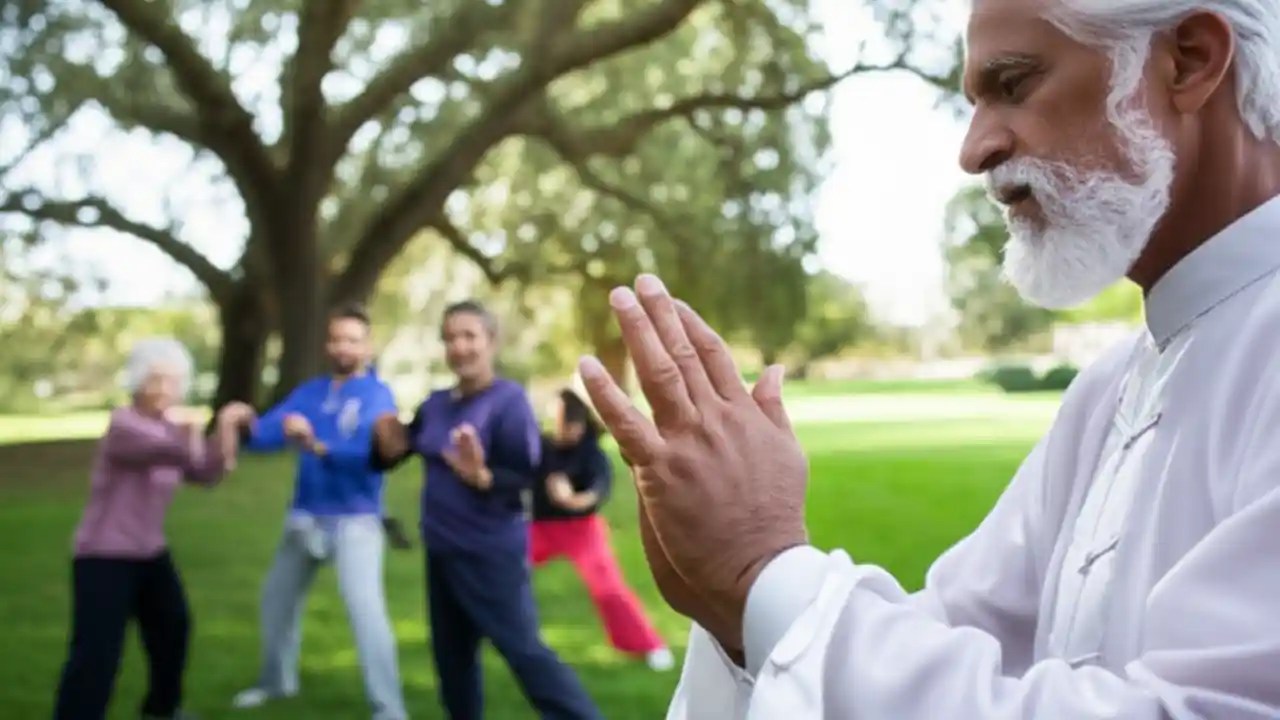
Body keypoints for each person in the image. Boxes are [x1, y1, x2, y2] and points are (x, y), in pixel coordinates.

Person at [577, 0, 1280, 717]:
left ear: (1188, 59)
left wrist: (763, 571)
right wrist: (735, 607)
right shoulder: (1109, 390)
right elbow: (949, 628)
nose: (975, 150)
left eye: (1014, 84)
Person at [373, 300, 601, 720]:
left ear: (490, 342)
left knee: (525, 652)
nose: (459, 346)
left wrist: (483, 477)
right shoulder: (436, 403)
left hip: (489, 552)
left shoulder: (508, 402)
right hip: (442, 549)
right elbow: (394, 453)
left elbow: (529, 478)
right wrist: (383, 441)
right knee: (452, 661)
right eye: (450, 338)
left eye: (469, 336)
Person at [226, 304, 408, 720]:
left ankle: (389, 709)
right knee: (276, 602)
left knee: (367, 615)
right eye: (336, 338)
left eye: (352, 339)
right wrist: (243, 422)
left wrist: (317, 445)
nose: (343, 346)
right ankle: (276, 683)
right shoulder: (310, 393)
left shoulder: (378, 397)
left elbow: (371, 457)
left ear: (367, 346)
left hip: (356, 521)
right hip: (305, 516)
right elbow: (265, 435)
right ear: (327, 343)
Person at [53, 338, 242, 720]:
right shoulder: (124, 426)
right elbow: (170, 451)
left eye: (172, 382)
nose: (164, 390)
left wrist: (225, 428)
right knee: (98, 653)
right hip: (103, 555)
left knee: (173, 628)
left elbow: (206, 473)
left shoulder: (172, 429)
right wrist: (193, 433)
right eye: (155, 380)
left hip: (149, 551)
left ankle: (162, 709)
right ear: (137, 382)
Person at [530, 388, 674, 672]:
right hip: (538, 527)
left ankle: (650, 645)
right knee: (497, 570)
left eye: (567, 425)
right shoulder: (542, 446)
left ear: (580, 424)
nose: (560, 431)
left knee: (608, 588)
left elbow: (596, 494)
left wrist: (570, 499)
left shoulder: (592, 454)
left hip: (581, 530)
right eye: (556, 422)